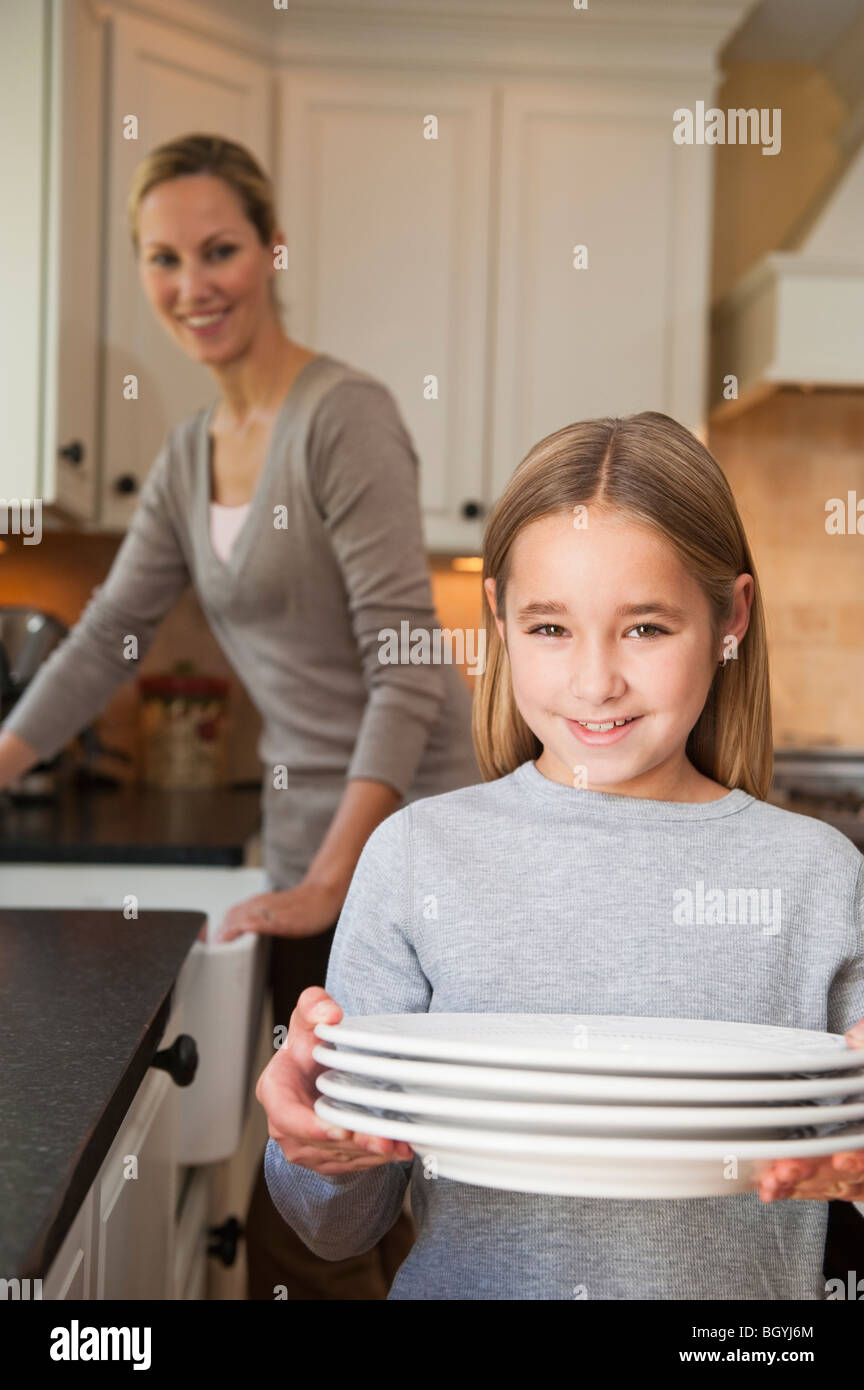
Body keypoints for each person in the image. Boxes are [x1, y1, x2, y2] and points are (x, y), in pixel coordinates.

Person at [0, 133, 480, 1299]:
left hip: (408, 849)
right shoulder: (185, 456)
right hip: (307, 849)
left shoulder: (343, 416)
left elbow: (407, 665)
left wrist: (330, 880)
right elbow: (111, 635)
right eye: (163, 258)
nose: (192, 283)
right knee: (314, 1204)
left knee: (381, 1197)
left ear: (270, 252)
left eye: (218, 249)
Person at [256, 409, 864, 1300]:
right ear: (499, 619)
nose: (594, 682)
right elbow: (337, 1227)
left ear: (730, 616)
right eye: (551, 629)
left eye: (646, 629)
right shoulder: (420, 858)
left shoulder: (818, 876)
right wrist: (311, 1140)